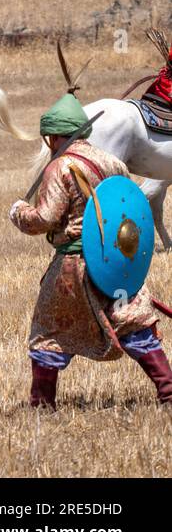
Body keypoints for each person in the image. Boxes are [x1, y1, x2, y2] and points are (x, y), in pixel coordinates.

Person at [9, 93, 171, 409]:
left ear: (54, 136)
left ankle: (42, 403)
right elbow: (128, 208)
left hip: (73, 268)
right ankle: (168, 388)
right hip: (116, 261)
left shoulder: (60, 167)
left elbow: (44, 219)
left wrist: (18, 213)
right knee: (132, 318)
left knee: (49, 329)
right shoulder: (113, 162)